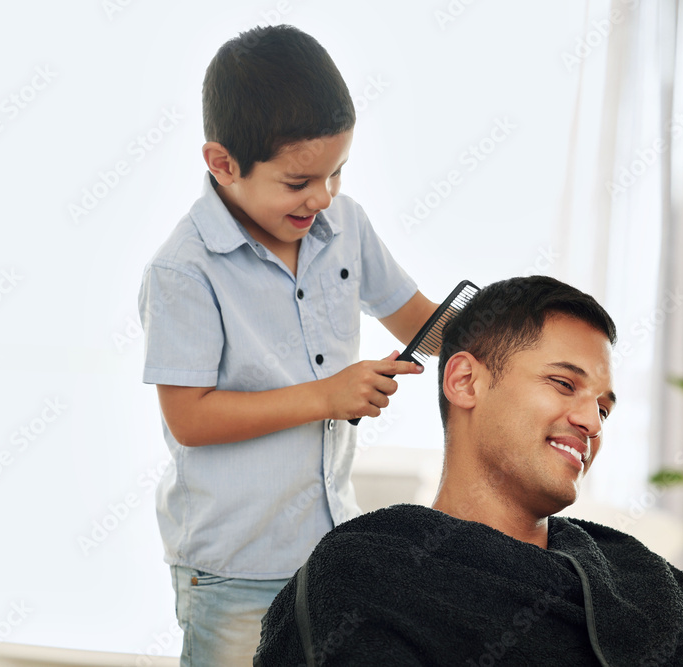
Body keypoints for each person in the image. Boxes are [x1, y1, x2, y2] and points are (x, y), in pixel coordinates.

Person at [254, 276, 683, 666]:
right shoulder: (368, 573)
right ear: (464, 382)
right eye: (563, 383)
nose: (590, 421)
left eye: (604, 408)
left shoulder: (636, 575)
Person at [137, 25, 436, 666]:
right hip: (232, 569)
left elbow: (419, 321)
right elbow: (189, 418)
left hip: (328, 548)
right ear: (222, 163)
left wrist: (498, 332)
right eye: (299, 182)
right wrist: (327, 396)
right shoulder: (183, 270)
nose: (323, 196)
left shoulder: (343, 224)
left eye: (337, 172)